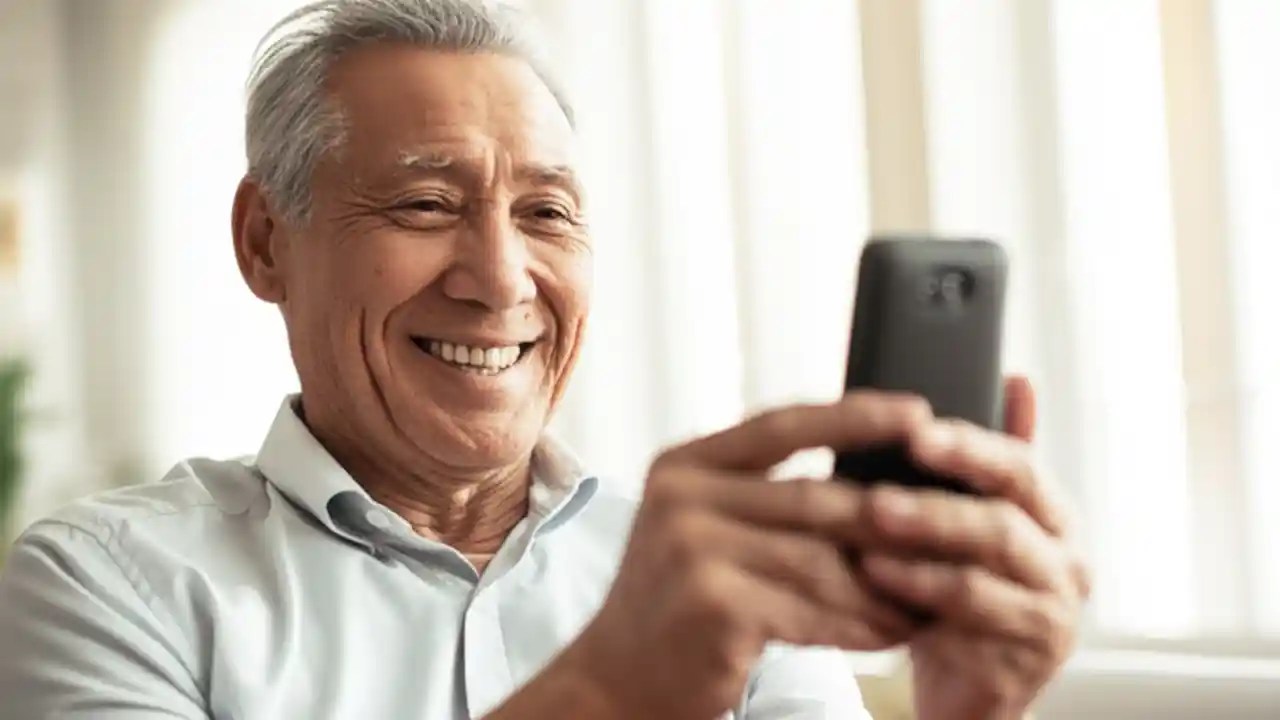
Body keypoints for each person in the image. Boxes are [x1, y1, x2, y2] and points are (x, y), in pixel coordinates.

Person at [0, 1, 1090, 718]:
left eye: (546, 213)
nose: (501, 279)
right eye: (425, 204)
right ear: (264, 242)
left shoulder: (723, 578)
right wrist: (613, 693)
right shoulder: (103, 588)